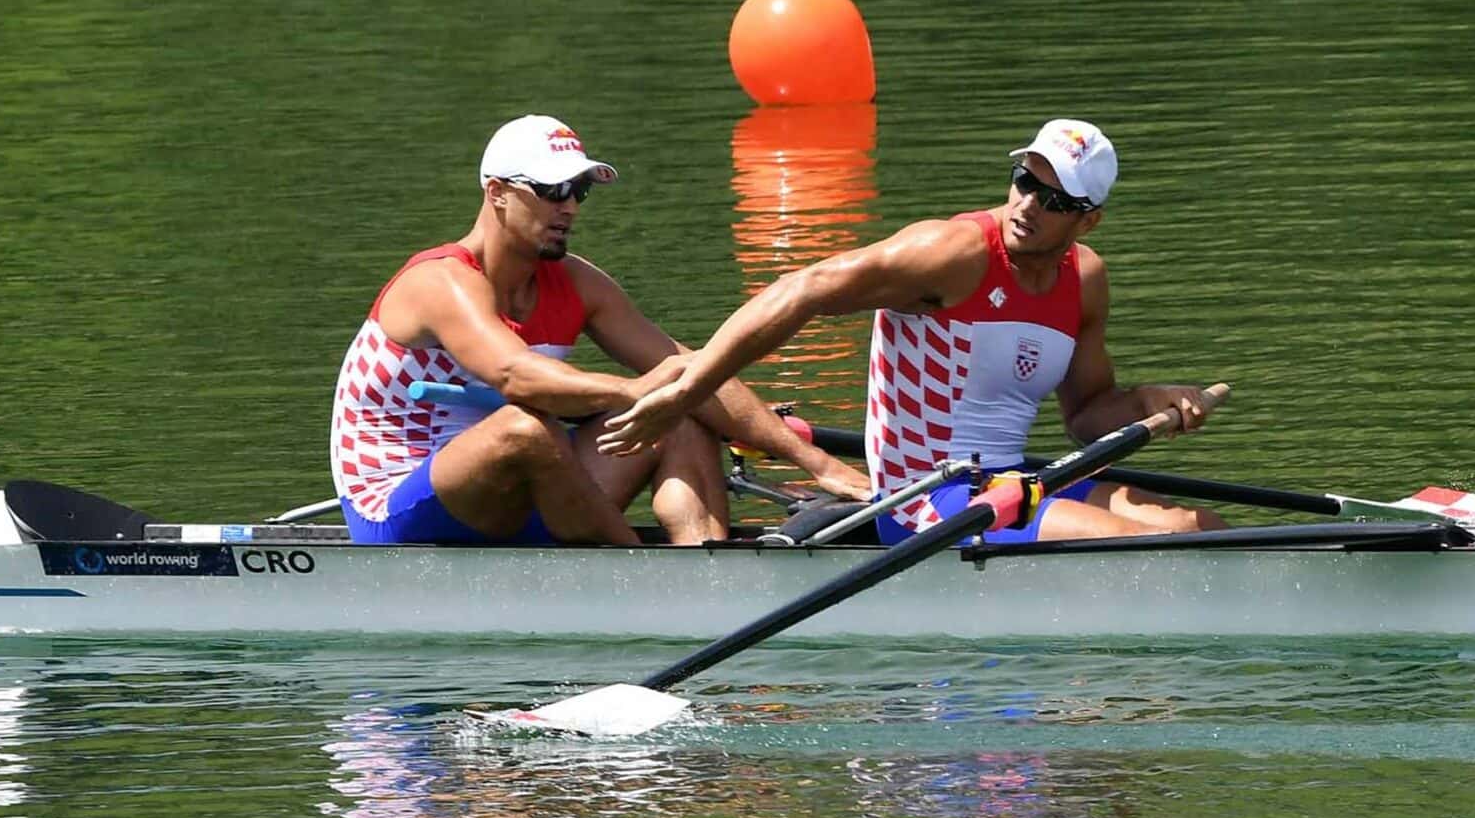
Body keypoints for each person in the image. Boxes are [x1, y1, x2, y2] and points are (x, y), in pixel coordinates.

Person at [598, 117, 1223, 545]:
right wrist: (687, 393)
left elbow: (1086, 417)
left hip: (1012, 485)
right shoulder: (951, 254)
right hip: (923, 498)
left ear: (1087, 222)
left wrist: (1145, 401)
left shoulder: (1084, 280)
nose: (1029, 205)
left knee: (1198, 531)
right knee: (1145, 546)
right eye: (1026, 181)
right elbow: (801, 290)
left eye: (1055, 200)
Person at [329, 114, 867, 547]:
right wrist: (637, 392)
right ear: (497, 193)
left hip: (523, 492)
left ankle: (704, 568)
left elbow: (694, 369)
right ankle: (634, 571)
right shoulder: (439, 282)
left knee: (683, 409)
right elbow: (517, 375)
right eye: (552, 189)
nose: (568, 207)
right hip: (397, 506)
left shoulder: (578, 283)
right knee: (526, 427)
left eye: (579, 192)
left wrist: (818, 465)